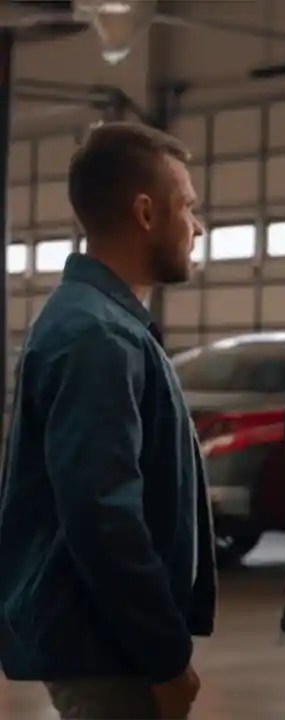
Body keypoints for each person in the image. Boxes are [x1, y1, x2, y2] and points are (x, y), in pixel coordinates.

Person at [0, 122, 216, 719]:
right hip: (107, 651)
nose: (196, 228)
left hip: (110, 644)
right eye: (188, 208)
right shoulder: (96, 336)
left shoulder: (105, 325)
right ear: (146, 213)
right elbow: (103, 517)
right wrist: (165, 656)